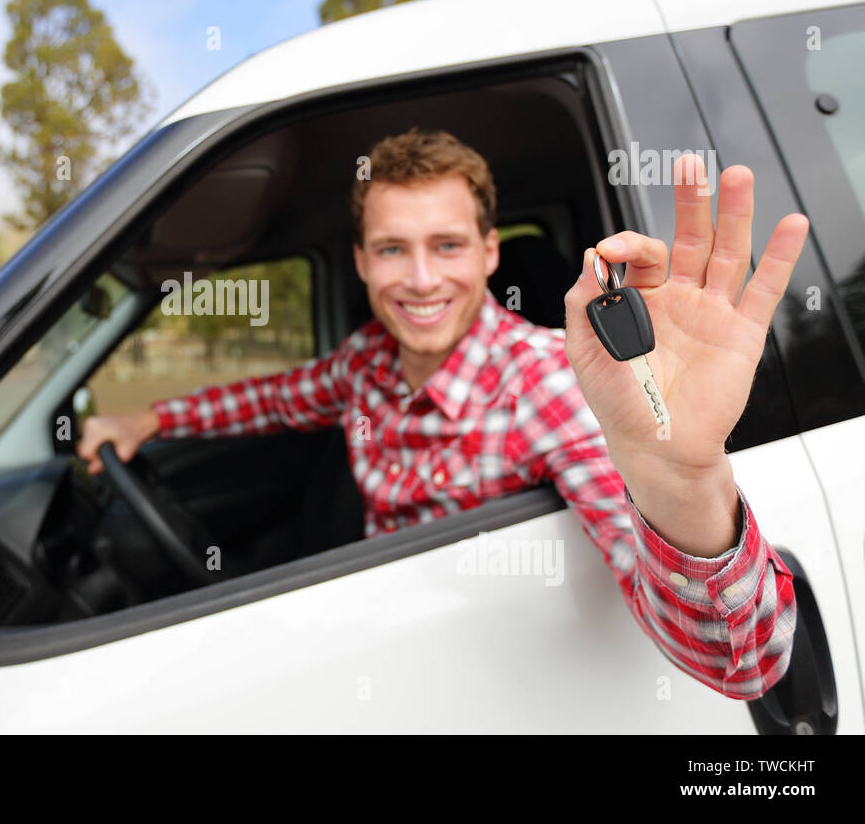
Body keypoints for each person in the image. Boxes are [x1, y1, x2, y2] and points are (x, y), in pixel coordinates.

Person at [77, 128, 808, 701]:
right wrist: (149, 422)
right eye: (393, 249)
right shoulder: (365, 359)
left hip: (475, 679)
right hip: (371, 647)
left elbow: (744, 668)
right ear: (361, 262)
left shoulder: (549, 382)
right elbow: (271, 399)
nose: (422, 280)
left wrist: (680, 480)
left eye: (448, 246)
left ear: (490, 253)